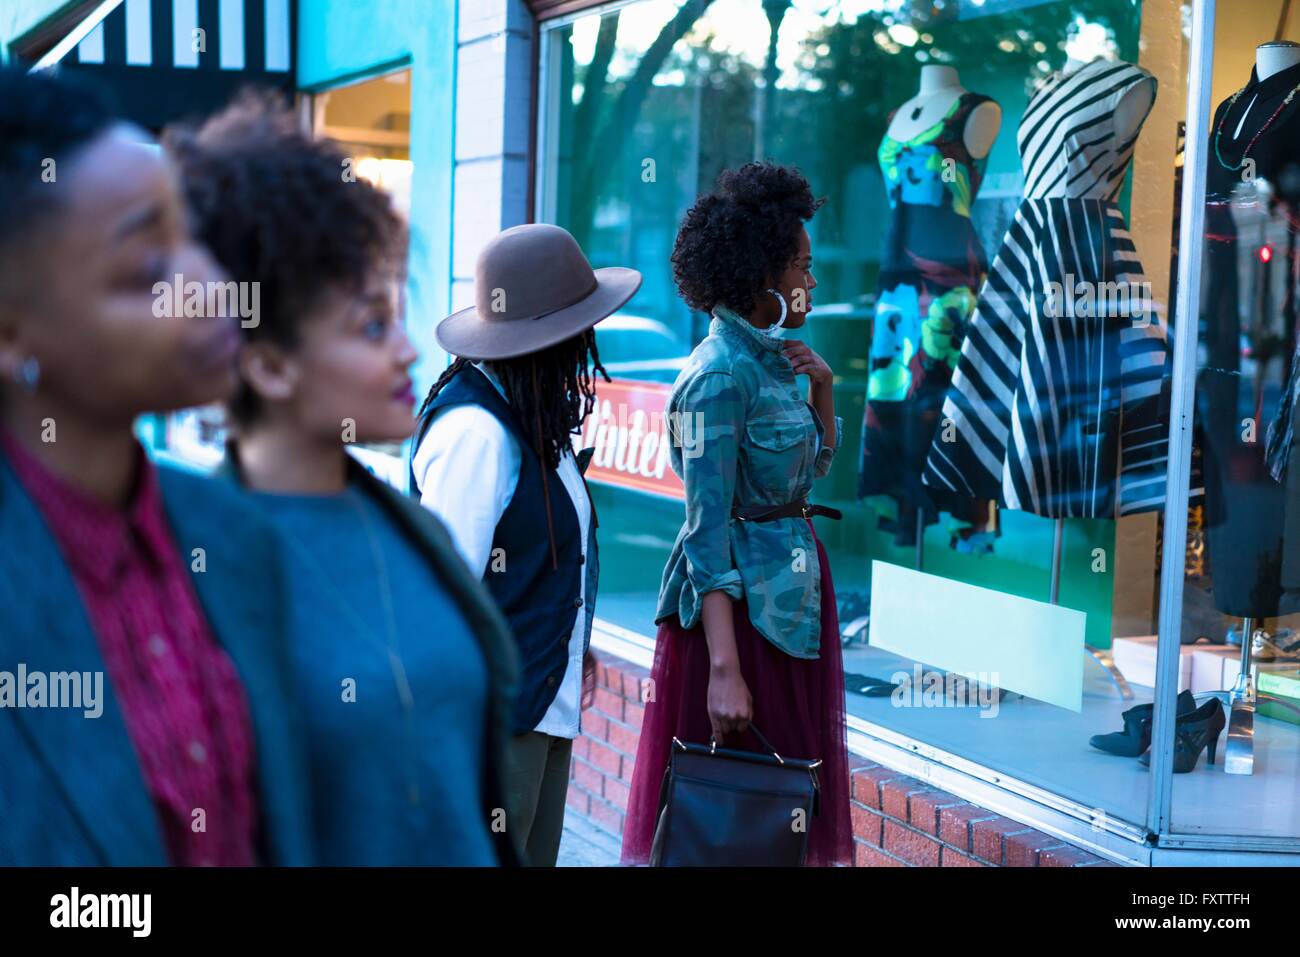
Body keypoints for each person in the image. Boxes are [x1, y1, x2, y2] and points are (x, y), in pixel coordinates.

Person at [167, 93, 522, 866]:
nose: (406, 349)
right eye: (369, 325)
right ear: (266, 361)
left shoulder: (411, 528)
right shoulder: (193, 569)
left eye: (394, 314)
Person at [0, 66, 313, 865]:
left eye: (193, 238)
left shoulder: (234, 535)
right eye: (148, 270)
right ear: (11, 334)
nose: (209, 287)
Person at [620, 162, 854, 866]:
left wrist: (824, 390)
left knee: (783, 817)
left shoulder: (777, 361)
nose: (811, 283)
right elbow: (705, 530)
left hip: (789, 609)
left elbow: (805, 474)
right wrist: (725, 669)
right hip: (742, 627)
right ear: (763, 274)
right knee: (734, 818)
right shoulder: (717, 376)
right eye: (802, 267)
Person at [411, 223, 641, 866]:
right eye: (583, 327)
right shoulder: (476, 431)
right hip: (493, 725)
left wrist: (569, 640)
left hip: (541, 705)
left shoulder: (532, 411)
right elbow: (443, 595)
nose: (590, 342)